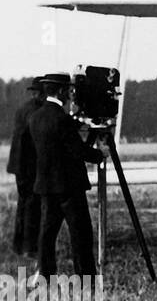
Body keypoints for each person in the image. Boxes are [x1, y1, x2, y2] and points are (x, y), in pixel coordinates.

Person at [29, 73, 103, 277]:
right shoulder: (62, 119)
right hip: (69, 187)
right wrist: (100, 154)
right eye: (68, 91)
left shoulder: (35, 117)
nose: (70, 95)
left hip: (46, 185)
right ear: (62, 91)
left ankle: (45, 275)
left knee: (47, 234)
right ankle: (85, 279)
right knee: (80, 235)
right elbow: (77, 150)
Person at [7, 78, 44, 257]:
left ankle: (19, 245)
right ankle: (30, 247)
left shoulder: (24, 108)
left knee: (24, 205)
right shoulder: (37, 111)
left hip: (19, 164)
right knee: (32, 206)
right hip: (29, 166)